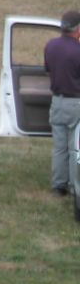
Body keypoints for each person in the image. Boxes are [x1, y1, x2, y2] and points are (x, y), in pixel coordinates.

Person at [43, 11, 80, 196]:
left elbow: (48, 72)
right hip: (76, 104)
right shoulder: (78, 51)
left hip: (57, 101)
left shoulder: (50, 46)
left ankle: (58, 186)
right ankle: (75, 187)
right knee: (75, 148)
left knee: (59, 147)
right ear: (78, 29)